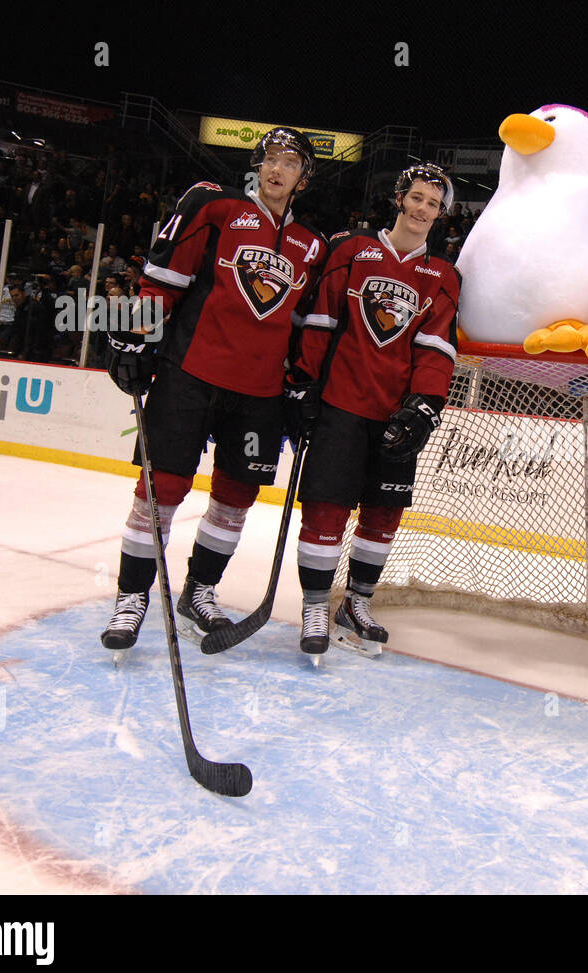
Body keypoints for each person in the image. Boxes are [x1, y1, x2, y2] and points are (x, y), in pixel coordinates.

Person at [99, 128, 330, 652]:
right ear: (258, 165)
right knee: (159, 493)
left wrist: (299, 385)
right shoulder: (213, 205)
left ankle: (200, 591)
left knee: (235, 500)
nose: (277, 169)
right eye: (270, 159)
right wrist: (135, 338)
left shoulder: (311, 245)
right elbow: (162, 281)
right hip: (188, 378)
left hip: (258, 397)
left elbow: (302, 326)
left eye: (290, 163)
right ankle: (131, 597)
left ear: (304, 178)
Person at [288, 162, 461, 657]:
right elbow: (320, 320)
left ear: (441, 213)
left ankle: (357, 603)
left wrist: (426, 405)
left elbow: (434, 348)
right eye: (417, 198)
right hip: (342, 404)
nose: (423, 208)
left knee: (384, 513)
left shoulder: (443, 276)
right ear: (400, 199)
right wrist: (301, 383)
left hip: (396, 414)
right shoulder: (352, 249)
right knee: (327, 508)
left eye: (434, 203)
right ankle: (317, 604)